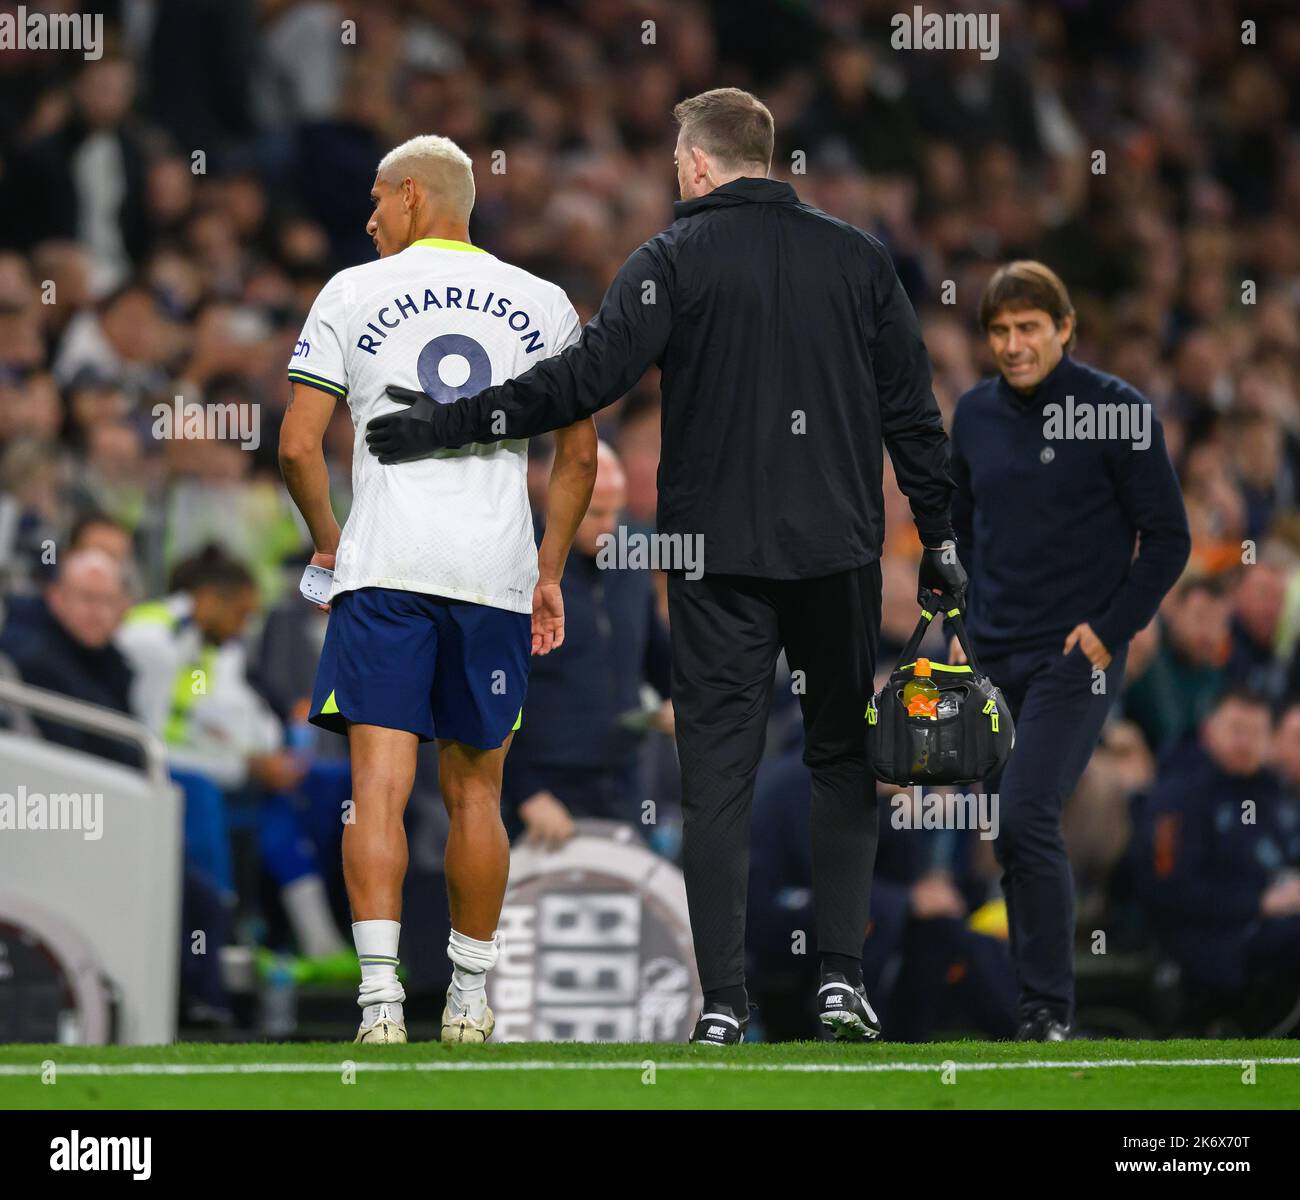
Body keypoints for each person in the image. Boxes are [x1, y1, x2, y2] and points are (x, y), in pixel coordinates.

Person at [363, 89, 964, 1043]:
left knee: (715, 775)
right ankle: (842, 979)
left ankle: (722, 1002)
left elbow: (581, 383)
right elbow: (914, 416)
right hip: (837, 551)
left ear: (693, 163)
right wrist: (942, 539)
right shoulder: (858, 259)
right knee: (843, 759)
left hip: (715, 559)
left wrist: (446, 420)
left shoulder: (672, 259)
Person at [277, 134, 597, 1045]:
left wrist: (333, 543)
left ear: (413, 197)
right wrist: (549, 568)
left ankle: (380, 1004)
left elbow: (298, 445)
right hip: (492, 577)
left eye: (378, 200)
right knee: (477, 798)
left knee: (377, 790)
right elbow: (579, 455)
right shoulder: (544, 303)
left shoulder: (350, 289)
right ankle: (468, 997)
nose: (369, 218)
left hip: (388, 571)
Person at [948, 261, 1191, 1039]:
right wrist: (959, 620)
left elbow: (1170, 540)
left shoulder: (1119, 412)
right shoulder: (976, 414)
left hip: (1073, 657)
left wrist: (1109, 631)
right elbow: (957, 526)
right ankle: (1035, 1012)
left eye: (1028, 328)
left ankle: (1048, 1009)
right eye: (999, 331)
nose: (1013, 345)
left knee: (1025, 814)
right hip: (993, 654)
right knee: (1012, 836)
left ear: (1065, 329)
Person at [502, 441, 672, 848]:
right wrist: (524, 791)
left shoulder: (629, 563)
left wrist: (679, 700)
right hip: (545, 788)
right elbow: (492, 693)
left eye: (617, 510)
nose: (610, 526)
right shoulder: (518, 570)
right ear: (560, 499)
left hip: (624, 782)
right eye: (596, 512)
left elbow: (657, 660)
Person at [0, 548, 139, 767]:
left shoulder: (117, 665)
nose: (99, 612)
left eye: (109, 601)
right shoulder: (33, 659)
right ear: (57, 597)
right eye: (88, 598)